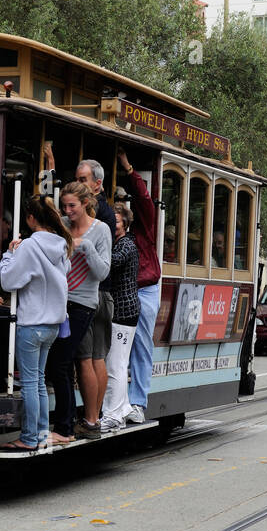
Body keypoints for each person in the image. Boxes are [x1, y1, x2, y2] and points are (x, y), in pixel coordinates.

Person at [0, 195, 71, 451]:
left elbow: (9, 281)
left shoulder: (29, 246)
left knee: (30, 383)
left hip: (31, 323)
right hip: (52, 325)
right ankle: (40, 434)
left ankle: (29, 438)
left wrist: (9, 255)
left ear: (31, 218)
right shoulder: (61, 244)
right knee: (39, 381)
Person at [45, 181, 112, 443]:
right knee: (60, 364)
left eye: (72, 206)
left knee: (62, 363)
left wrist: (86, 247)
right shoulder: (62, 224)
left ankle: (67, 427)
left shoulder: (101, 230)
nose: (68, 211)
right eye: (64, 206)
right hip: (58, 302)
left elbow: (103, 272)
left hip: (82, 305)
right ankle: (68, 423)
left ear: (85, 203)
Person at [116, 147, 161, 423]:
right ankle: (118, 402)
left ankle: (137, 403)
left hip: (145, 290)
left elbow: (145, 200)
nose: (121, 205)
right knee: (117, 348)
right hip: (121, 292)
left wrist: (128, 168)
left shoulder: (143, 230)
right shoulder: (113, 233)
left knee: (141, 345)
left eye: (124, 200)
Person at [73, 158, 116, 433]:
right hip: (104, 294)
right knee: (98, 358)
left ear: (97, 184)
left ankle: (90, 419)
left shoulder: (95, 214)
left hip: (90, 294)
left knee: (86, 359)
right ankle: (94, 418)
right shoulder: (109, 212)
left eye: (83, 180)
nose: (78, 184)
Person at [100, 203, 141, 431]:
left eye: (116, 221)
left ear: (125, 223)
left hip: (123, 312)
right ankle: (123, 408)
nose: (112, 225)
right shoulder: (122, 243)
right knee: (119, 363)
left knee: (115, 365)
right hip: (125, 311)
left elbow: (112, 262)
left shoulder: (126, 245)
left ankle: (113, 414)